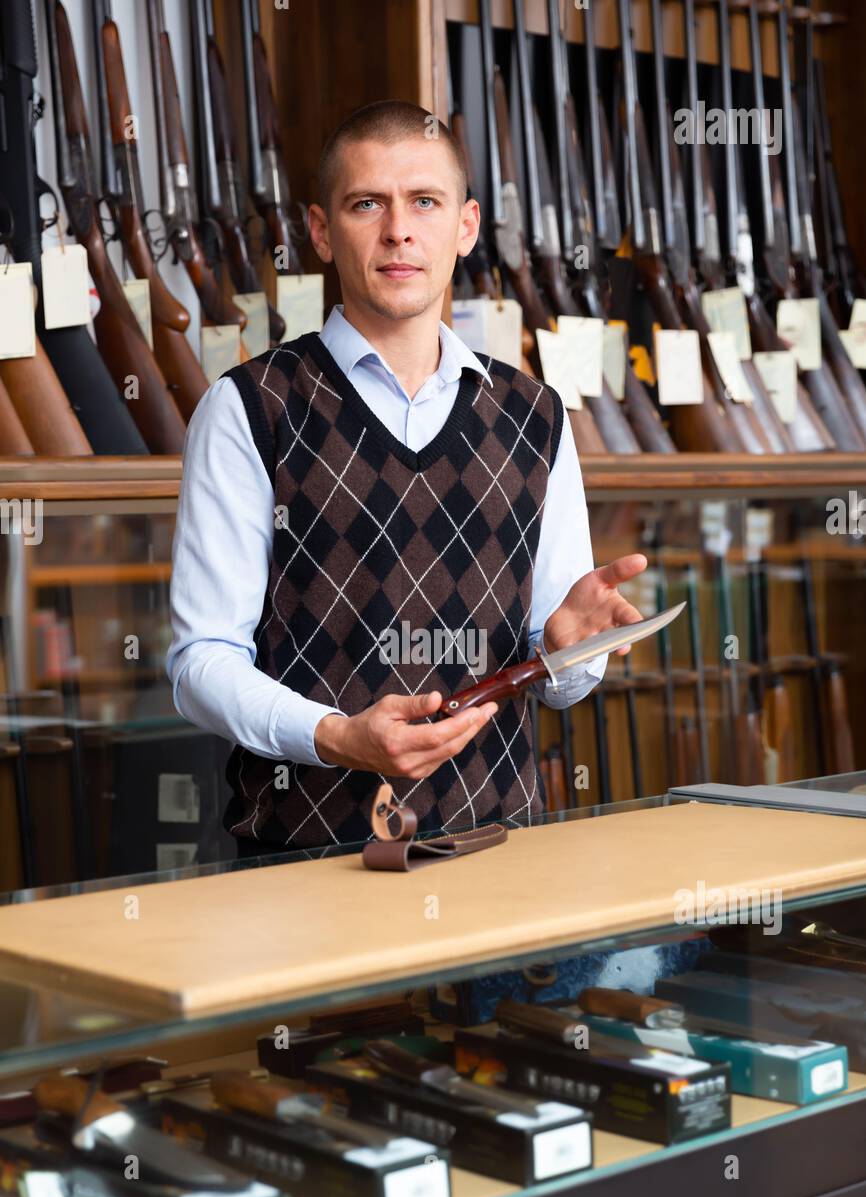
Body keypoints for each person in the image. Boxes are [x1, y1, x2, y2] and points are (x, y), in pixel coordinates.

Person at [166, 100, 647, 857]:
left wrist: (562, 653)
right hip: (303, 870)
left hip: (502, 858)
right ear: (320, 231)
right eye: (367, 204)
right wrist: (337, 737)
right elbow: (202, 662)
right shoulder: (248, 409)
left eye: (425, 201)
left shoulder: (536, 414)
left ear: (466, 226)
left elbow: (556, 676)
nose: (399, 231)